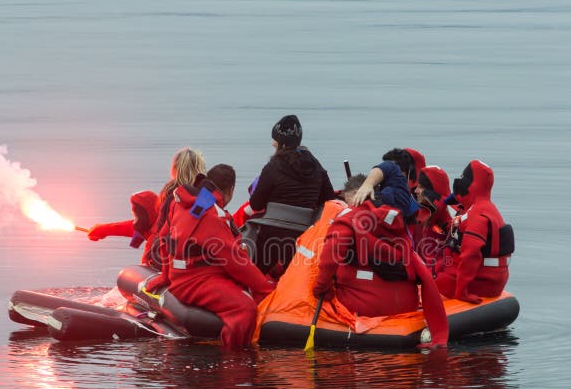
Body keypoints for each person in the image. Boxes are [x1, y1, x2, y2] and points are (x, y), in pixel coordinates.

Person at [312, 174, 448, 336]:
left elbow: (329, 259)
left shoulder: (348, 219)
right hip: (407, 304)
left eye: (347, 198)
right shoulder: (398, 218)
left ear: (356, 194)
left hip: (367, 305)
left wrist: (321, 288)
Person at [162, 164, 274, 348]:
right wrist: (266, 289)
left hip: (180, 275)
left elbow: (164, 240)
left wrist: (165, 275)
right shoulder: (213, 216)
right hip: (195, 281)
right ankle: (233, 361)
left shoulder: (180, 203)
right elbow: (235, 263)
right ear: (230, 190)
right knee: (245, 308)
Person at [86, 147, 206, 270]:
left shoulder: (168, 198)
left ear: (174, 170)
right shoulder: (207, 201)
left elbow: (144, 228)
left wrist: (104, 229)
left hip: (159, 265)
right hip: (194, 267)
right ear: (202, 170)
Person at [244, 115, 335, 274]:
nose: (273, 143)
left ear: (282, 143)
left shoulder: (272, 167)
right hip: (303, 237)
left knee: (254, 272)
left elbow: (255, 204)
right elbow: (329, 199)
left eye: (275, 140)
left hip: (271, 235)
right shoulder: (317, 167)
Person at [436, 160, 514, 303]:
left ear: (473, 184)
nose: (459, 180)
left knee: (434, 280)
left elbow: (470, 255)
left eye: (463, 176)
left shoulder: (477, 215)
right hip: (494, 281)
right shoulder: (488, 208)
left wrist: (461, 292)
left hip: (479, 284)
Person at [348, 148, 425, 209]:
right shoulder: (382, 190)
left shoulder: (418, 201)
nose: (386, 175)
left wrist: (368, 184)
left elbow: (389, 166)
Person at [413, 165, 454, 269]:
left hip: (439, 275)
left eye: (420, 187)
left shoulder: (453, 217)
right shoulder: (420, 212)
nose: (416, 191)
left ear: (432, 191)